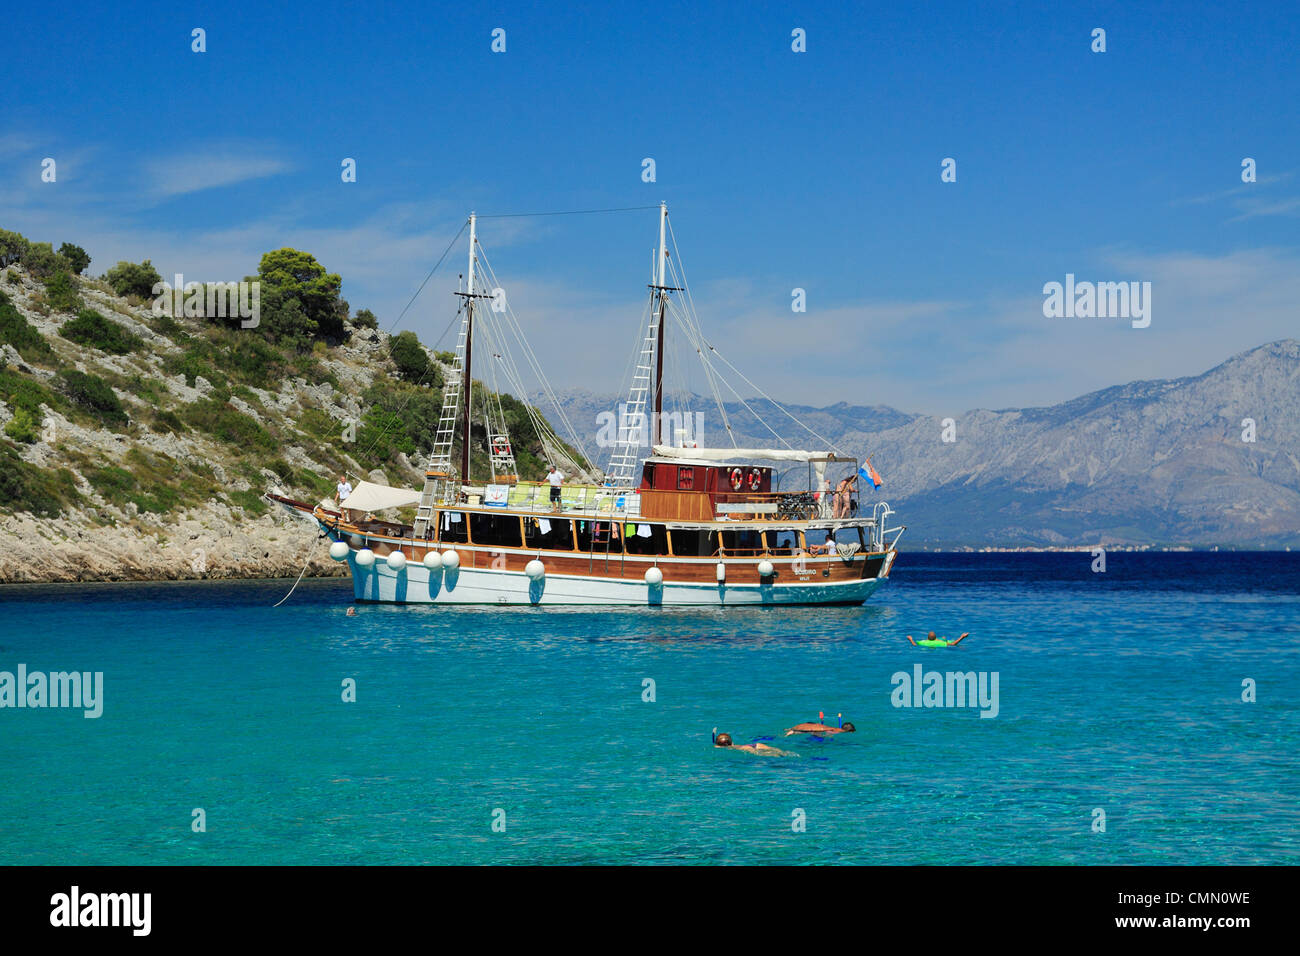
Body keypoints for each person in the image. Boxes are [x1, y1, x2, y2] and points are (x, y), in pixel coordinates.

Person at [713, 728, 791, 756]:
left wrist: (717, 746)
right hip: (755, 745)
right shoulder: (733, 745)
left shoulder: (729, 747)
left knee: (769, 755)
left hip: (747, 748)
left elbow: (722, 747)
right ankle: (785, 753)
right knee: (778, 752)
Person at [783, 711, 856, 737]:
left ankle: (791, 730)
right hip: (818, 729)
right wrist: (820, 729)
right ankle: (791, 731)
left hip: (820, 730)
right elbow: (829, 729)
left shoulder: (839, 730)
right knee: (808, 731)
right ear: (850, 731)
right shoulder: (839, 730)